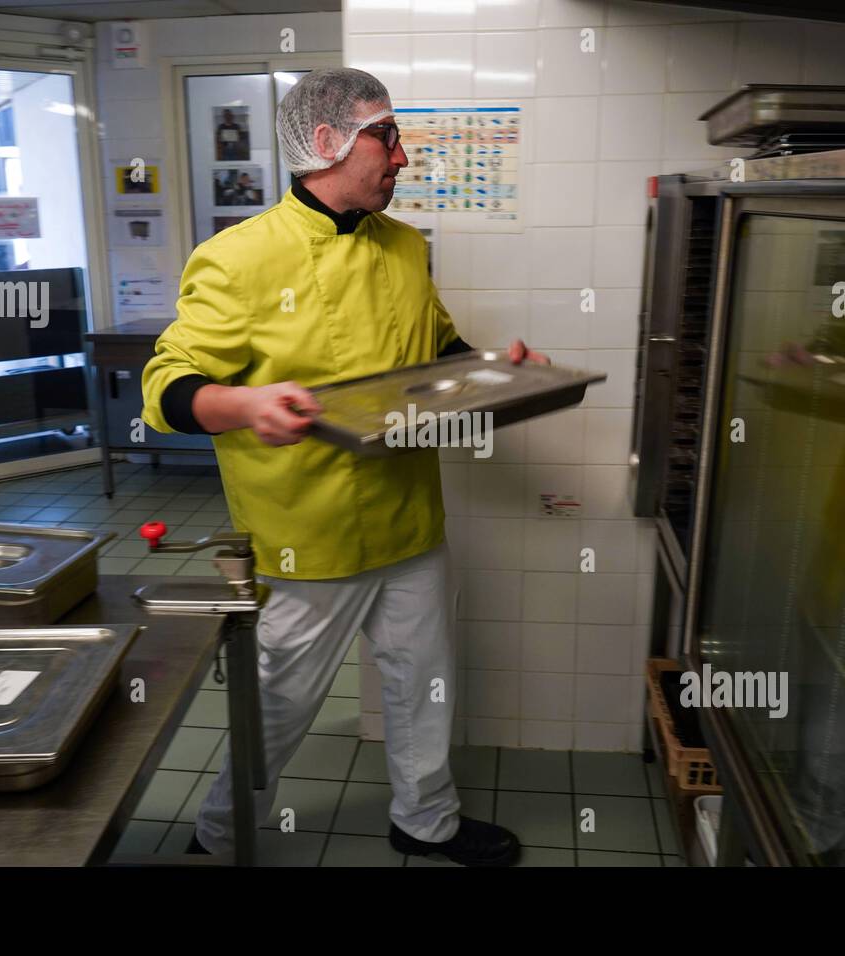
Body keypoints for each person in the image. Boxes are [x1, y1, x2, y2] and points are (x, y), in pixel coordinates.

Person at [141, 67, 548, 866]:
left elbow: (437, 350)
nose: (404, 156)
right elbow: (168, 386)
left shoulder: (404, 246)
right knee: (280, 704)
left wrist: (503, 370)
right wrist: (245, 406)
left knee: (423, 686)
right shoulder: (236, 258)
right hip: (306, 536)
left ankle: (425, 821)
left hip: (409, 519)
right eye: (388, 136)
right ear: (326, 143)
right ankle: (220, 838)